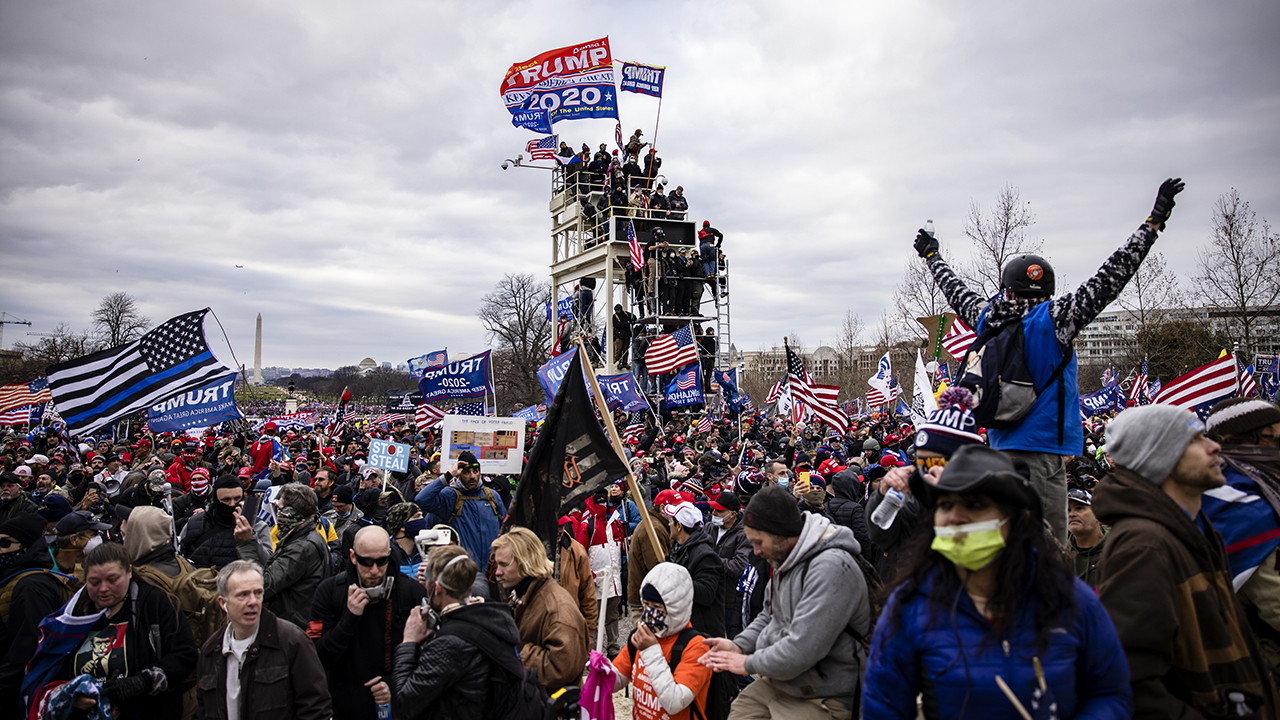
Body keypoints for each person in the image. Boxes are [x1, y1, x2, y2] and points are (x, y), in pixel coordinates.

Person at [914, 178, 1186, 543]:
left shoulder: (987, 316)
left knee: (1016, 539)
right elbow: (1111, 277)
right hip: (1039, 448)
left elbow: (954, 288)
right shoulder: (1055, 320)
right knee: (1043, 548)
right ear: (1048, 292)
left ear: (1006, 288)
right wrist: (1153, 224)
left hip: (1003, 444)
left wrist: (933, 255)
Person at [862, 444, 1132, 719]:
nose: (955, 517)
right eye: (944, 504)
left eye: (975, 504)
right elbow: (883, 707)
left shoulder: (1069, 598)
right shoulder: (910, 605)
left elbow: (1109, 692)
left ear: (1016, 518)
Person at [1096, 404, 1279, 717]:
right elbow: (1128, 680)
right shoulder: (1144, 547)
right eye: (1195, 440)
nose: (1215, 446)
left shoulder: (1191, 532)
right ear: (1161, 458)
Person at [699, 485, 868, 720]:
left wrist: (747, 663)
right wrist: (739, 646)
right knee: (739, 711)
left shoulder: (830, 567)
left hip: (827, 693)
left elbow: (803, 649)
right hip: (786, 681)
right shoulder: (784, 558)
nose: (755, 552)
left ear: (780, 534)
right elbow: (770, 615)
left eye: (759, 542)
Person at [25, 541, 197, 720]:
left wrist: (141, 682)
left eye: (112, 580)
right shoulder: (73, 615)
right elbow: (49, 671)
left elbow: (185, 656)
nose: (103, 589)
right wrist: (71, 696)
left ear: (129, 572)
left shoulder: (155, 603)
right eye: (94, 582)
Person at [309, 524, 427, 720]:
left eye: (382, 562)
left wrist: (394, 684)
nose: (374, 571)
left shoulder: (411, 592)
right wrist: (349, 619)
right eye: (366, 562)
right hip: (343, 706)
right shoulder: (330, 591)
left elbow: (429, 656)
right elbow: (316, 657)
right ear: (353, 557)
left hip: (398, 706)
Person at [392, 545, 522, 720]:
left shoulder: (449, 644)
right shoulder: (492, 618)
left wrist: (409, 642)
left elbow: (403, 704)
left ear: (436, 588)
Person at [194, 560, 331, 720]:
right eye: (243, 595)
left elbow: (316, 707)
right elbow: (203, 711)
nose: (253, 602)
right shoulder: (210, 650)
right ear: (223, 603)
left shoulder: (292, 641)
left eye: (258, 593)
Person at [1202, 398, 1280, 672]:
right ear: (1239, 441)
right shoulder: (1239, 505)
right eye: (1273, 439)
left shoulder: (1264, 485)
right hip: (1258, 660)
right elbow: (1275, 603)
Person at [0, 513, 79, 716]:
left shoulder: (32, 587)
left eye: (5, 543)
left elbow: (26, 651)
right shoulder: (15, 577)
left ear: (25, 548)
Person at [612, 563, 713, 720]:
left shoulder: (697, 647)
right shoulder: (641, 636)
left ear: (676, 608)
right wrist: (601, 672)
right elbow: (617, 678)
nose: (649, 613)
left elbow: (674, 703)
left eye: (656, 607)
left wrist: (651, 650)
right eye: (646, 605)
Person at [490, 527, 587, 691]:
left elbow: (560, 669)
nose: (498, 572)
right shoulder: (522, 594)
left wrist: (512, 649)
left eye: (504, 565)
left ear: (525, 563)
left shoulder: (556, 609)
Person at [235, 483, 329, 629]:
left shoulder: (301, 547)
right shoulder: (304, 536)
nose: (277, 514)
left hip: (292, 627)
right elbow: (274, 568)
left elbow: (264, 586)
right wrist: (252, 537)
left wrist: (246, 545)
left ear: (291, 512)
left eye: (280, 508)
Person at [415, 451, 506, 572]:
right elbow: (421, 499)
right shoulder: (450, 496)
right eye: (466, 472)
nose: (472, 476)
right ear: (458, 474)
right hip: (462, 572)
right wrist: (448, 475)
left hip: (492, 572)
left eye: (475, 471)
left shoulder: (492, 496)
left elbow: (506, 530)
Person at [664, 501, 725, 638]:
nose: (668, 525)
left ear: (679, 526)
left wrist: (675, 576)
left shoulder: (706, 555)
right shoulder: (678, 548)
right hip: (684, 628)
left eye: (671, 521)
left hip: (702, 634)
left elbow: (706, 594)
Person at [710, 493, 752, 640]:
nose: (713, 514)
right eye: (713, 510)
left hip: (729, 601)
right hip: (710, 597)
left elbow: (740, 566)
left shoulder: (743, 535)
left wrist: (711, 561)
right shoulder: (710, 528)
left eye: (719, 511)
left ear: (733, 514)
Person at [557, 515, 599, 647]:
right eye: (557, 526)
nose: (561, 530)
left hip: (570, 625)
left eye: (563, 525)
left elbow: (587, 594)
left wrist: (589, 630)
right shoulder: (532, 550)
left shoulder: (576, 551)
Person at [1067, 487, 1108, 587]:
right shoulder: (1060, 554)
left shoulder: (1116, 551)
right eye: (1067, 510)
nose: (1071, 514)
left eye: (1079, 508)